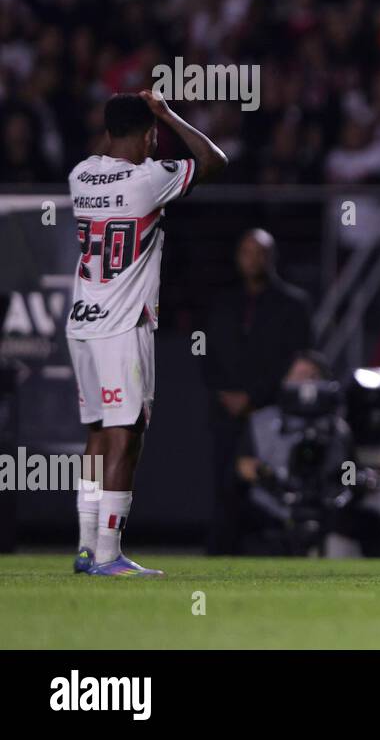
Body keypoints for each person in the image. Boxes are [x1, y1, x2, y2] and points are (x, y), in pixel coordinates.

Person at [69, 91, 226, 576]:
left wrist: (127, 120)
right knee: (126, 435)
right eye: (153, 136)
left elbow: (107, 148)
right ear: (148, 134)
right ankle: (110, 553)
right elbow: (213, 160)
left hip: (81, 323)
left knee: (97, 433)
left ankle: (85, 547)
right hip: (123, 324)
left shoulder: (79, 176)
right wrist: (166, 112)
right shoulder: (147, 179)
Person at [203, 228, 314, 555]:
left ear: (272, 257)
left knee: (273, 488)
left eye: (261, 252)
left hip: (271, 417)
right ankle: (219, 558)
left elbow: (297, 361)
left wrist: (254, 397)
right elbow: (206, 354)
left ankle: (280, 551)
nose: (254, 259)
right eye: (248, 252)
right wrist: (225, 394)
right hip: (226, 416)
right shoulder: (222, 304)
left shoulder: (294, 304)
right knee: (225, 487)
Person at [236, 352, 380, 557]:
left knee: (371, 523)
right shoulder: (262, 422)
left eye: (313, 376)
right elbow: (242, 466)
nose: (306, 383)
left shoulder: (337, 427)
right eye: (299, 375)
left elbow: (349, 469)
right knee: (241, 521)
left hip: (324, 503)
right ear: (285, 380)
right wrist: (270, 479)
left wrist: (358, 479)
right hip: (276, 505)